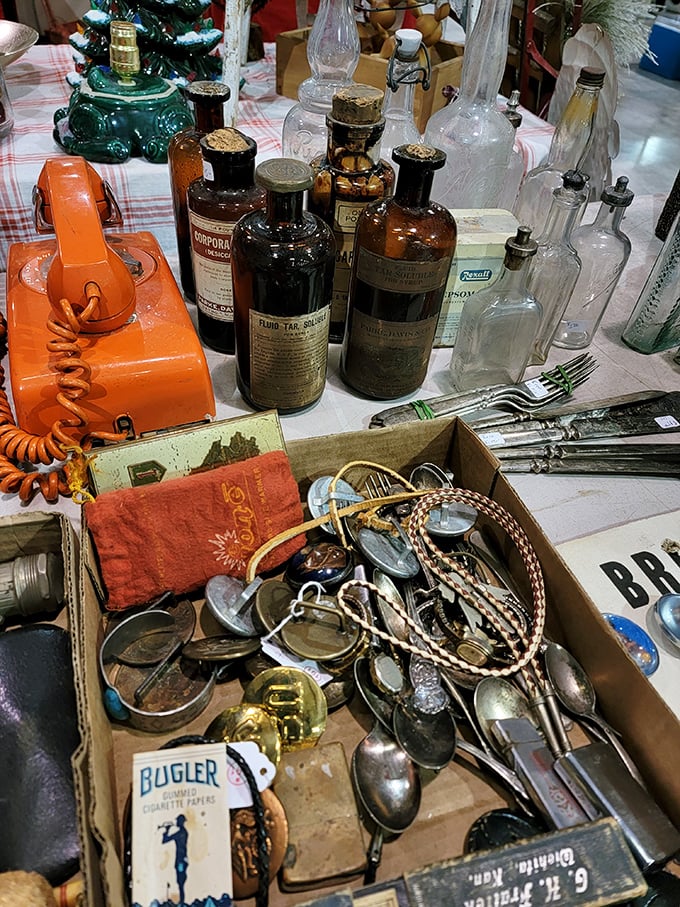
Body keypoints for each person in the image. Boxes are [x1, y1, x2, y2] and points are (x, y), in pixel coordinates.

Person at [161, 814, 189, 906]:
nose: (176, 822)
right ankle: (181, 901)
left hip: (181, 860)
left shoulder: (181, 833)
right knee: (180, 881)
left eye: (178, 821)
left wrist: (167, 830)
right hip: (181, 860)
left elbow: (165, 840)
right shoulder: (182, 832)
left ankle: (182, 902)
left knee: (180, 881)